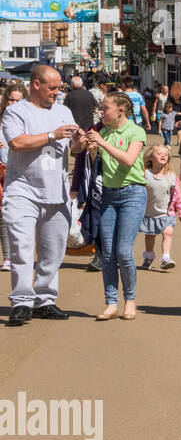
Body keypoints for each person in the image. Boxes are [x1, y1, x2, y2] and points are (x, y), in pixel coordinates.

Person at [2, 65, 88, 325]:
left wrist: (78, 143)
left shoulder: (63, 111)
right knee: (22, 248)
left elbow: (72, 146)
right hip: (22, 190)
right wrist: (53, 134)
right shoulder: (16, 111)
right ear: (36, 84)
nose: (57, 92)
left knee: (52, 251)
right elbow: (17, 142)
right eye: (52, 87)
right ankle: (21, 302)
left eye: (59, 87)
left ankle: (46, 299)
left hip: (56, 190)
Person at [84, 92, 147, 321]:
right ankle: (111, 302)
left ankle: (130, 300)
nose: (102, 112)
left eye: (106, 108)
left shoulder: (135, 131)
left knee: (123, 250)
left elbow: (129, 160)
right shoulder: (103, 131)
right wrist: (92, 148)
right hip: (109, 195)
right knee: (108, 252)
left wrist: (101, 142)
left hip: (133, 193)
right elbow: (96, 164)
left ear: (120, 110)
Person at [139, 144, 181, 271]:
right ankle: (148, 257)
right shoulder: (145, 174)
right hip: (149, 213)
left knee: (168, 233)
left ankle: (166, 258)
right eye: (159, 153)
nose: (163, 155)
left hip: (166, 213)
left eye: (165, 154)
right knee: (150, 236)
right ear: (150, 158)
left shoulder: (171, 176)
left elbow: (178, 195)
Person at [0, 83, 29, 272]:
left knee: (18, 218)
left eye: (18, 100)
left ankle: (18, 255)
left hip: (22, 174)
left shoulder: (28, 121)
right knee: (3, 215)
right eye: (11, 99)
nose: (13, 103)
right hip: (2, 172)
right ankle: (8, 256)